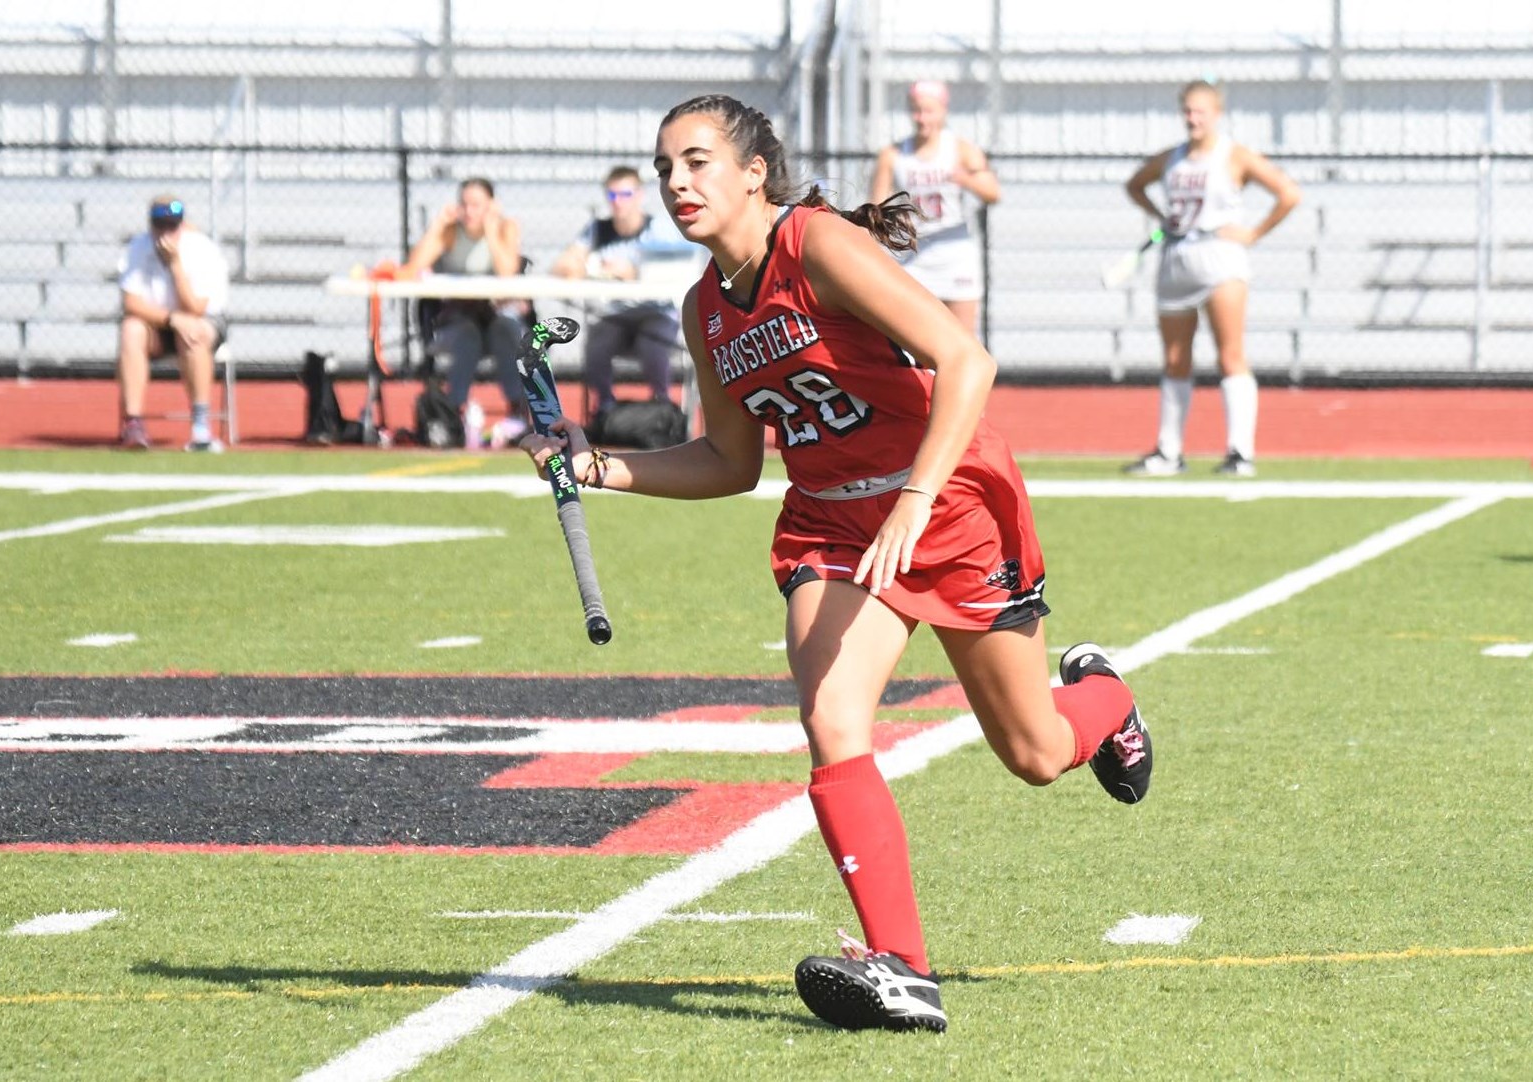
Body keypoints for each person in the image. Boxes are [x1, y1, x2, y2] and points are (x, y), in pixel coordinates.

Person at [522, 94, 1152, 1034]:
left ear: (752, 173)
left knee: (1035, 752)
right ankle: (903, 968)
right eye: (663, 169)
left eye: (695, 162)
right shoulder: (706, 307)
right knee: (830, 718)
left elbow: (965, 362)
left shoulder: (817, 244)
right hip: (829, 525)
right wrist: (596, 466)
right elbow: (730, 463)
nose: (676, 183)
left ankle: (1103, 699)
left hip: (949, 507)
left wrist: (914, 500)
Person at [1121, 78, 1300, 477]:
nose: (1192, 118)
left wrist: (1253, 233)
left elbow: (1288, 193)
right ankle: (1169, 451)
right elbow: (1134, 185)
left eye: (1200, 110)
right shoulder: (1172, 158)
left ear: (1216, 114)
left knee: (1230, 353)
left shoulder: (1233, 155)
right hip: (1176, 257)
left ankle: (1240, 452)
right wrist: (1159, 217)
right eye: (1187, 110)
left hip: (1219, 258)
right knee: (1174, 358)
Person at [549, 165, 684, 422]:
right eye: (613, 196)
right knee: (598, 342)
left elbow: (676, 271)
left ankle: (663, 407)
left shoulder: (659, 229)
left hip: (655, 312)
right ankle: (605, 408)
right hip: (616, 315)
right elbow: (562, 266)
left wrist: (634, 272)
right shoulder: (598, 230)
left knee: (653, 343)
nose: (619, 203)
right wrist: (585, 266)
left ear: (640, 195)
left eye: (626, 195)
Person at [402, 176, 529, 444]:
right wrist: (437, 226)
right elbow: (412, 269)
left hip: (497, 316)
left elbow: (509, 273)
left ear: (491, 206)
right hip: (458, 320)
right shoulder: (449, 231)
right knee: (468, 335)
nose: (470, 211)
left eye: (477, 205)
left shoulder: (506, 228)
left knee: (505, 330)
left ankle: (518, 411)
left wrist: (492, 231)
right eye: (465, 204)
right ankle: (454, 410)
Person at [868, 80, 1001, 336]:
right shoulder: (894, 155)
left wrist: (967, 179)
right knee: (911, 340)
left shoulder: (960, 149)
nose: (922, 118)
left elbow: (992, 192)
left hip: (954, 255)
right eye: (916, 110)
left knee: (963, 341)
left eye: (929, 111)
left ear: (943, 111)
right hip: (913, 255)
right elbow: (875, 207)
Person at [116, 195, 231, 451]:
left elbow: (196, 308)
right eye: (161, 225)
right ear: (151, 225)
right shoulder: (138, 248)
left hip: (199, 322)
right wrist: (171, 319)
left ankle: (201, 424)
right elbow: (131, 303)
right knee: (131, 330)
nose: (166, 232)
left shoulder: (201, 249)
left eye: (172, 225)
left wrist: (175, 266)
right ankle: (133, 423)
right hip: (159, 324)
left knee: (193, 333)